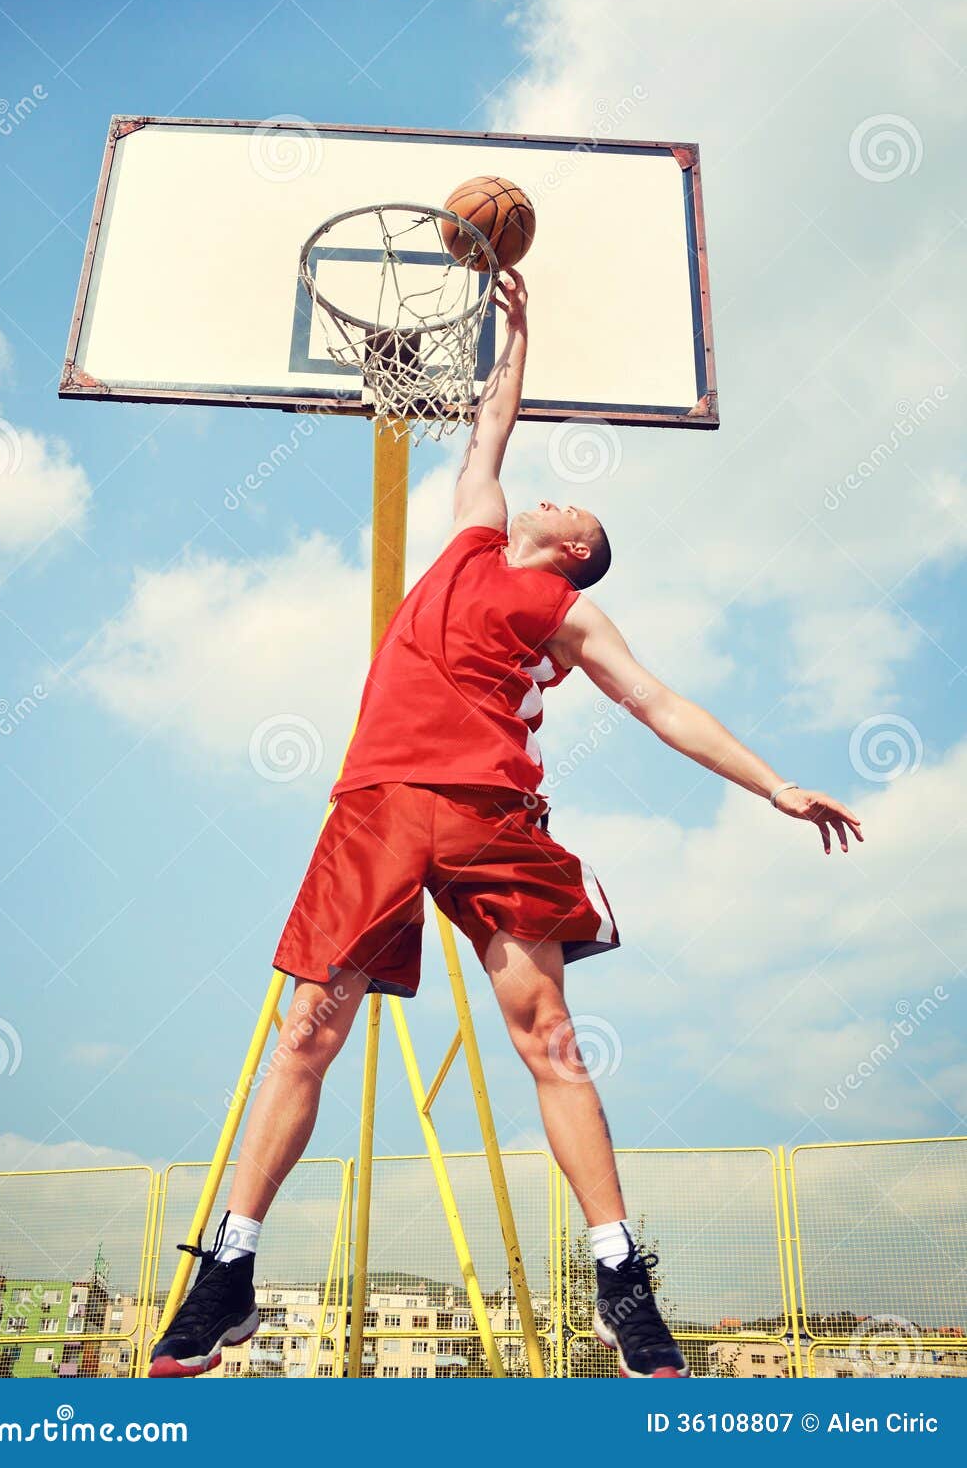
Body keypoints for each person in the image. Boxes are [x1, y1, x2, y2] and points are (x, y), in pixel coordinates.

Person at [149, 269, 862, 1379]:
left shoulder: (569, 608)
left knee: (548, 1037)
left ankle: (620, 1277)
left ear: (577, 544)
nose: (550, 495)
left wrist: (771, 783)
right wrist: (517, 330)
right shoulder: (472, 540)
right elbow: (489, 426)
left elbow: (659, 703)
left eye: (575, 507)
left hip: (491, 820)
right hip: (377, 807)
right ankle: (230, 1272)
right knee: (308, 1030)